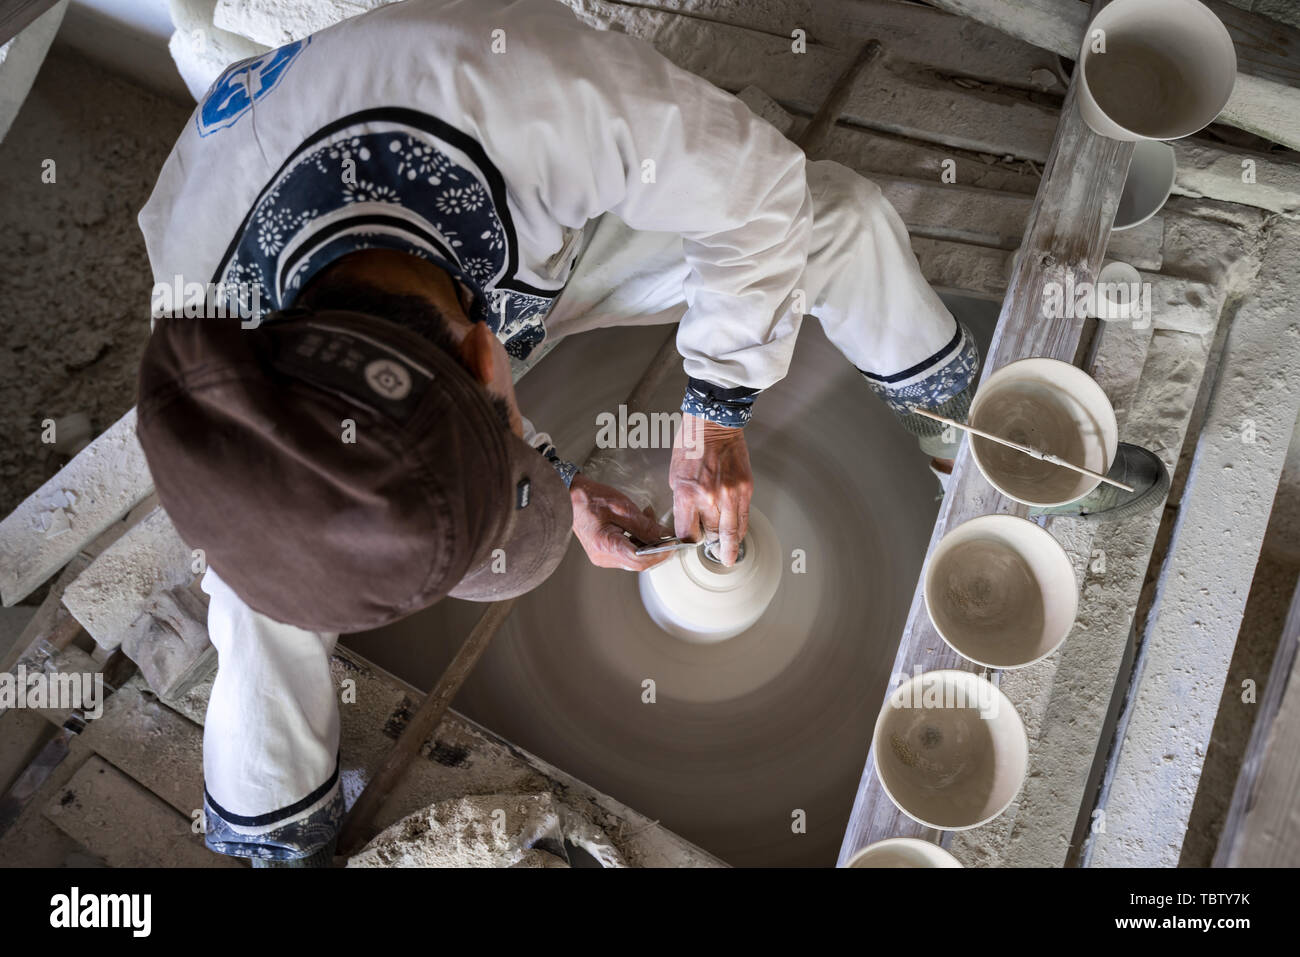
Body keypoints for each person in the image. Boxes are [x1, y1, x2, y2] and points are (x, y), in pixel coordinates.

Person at [134, 0, 1167, 865]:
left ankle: (959, 429)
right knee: (260, 580)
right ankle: (276, 829)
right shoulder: (208, 350)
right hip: (379, 281)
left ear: (496, 361)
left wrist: (715, 412)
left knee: (837, 217)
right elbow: (406, 428)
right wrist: (553, 483)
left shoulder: (549, 98)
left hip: (490, 216)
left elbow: (759, 193)